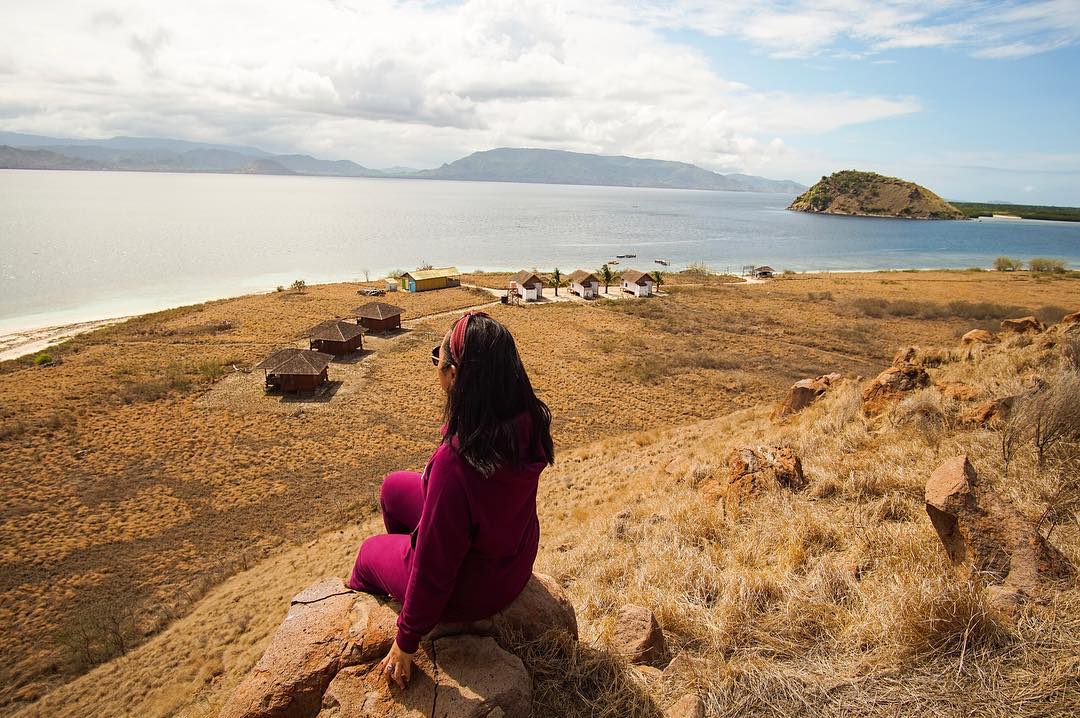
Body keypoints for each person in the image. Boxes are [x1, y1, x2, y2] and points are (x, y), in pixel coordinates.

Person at [346, 311, 554, 689]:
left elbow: (434, 567)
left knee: (366, 555)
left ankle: (416, 600)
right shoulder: (526, 419)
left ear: (456, 375)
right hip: (512, 561)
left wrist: (407, 640)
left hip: (474, 589)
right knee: (393, 489)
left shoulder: (457, 463)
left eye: (438, 360)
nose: (436, 368)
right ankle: (416, 561)